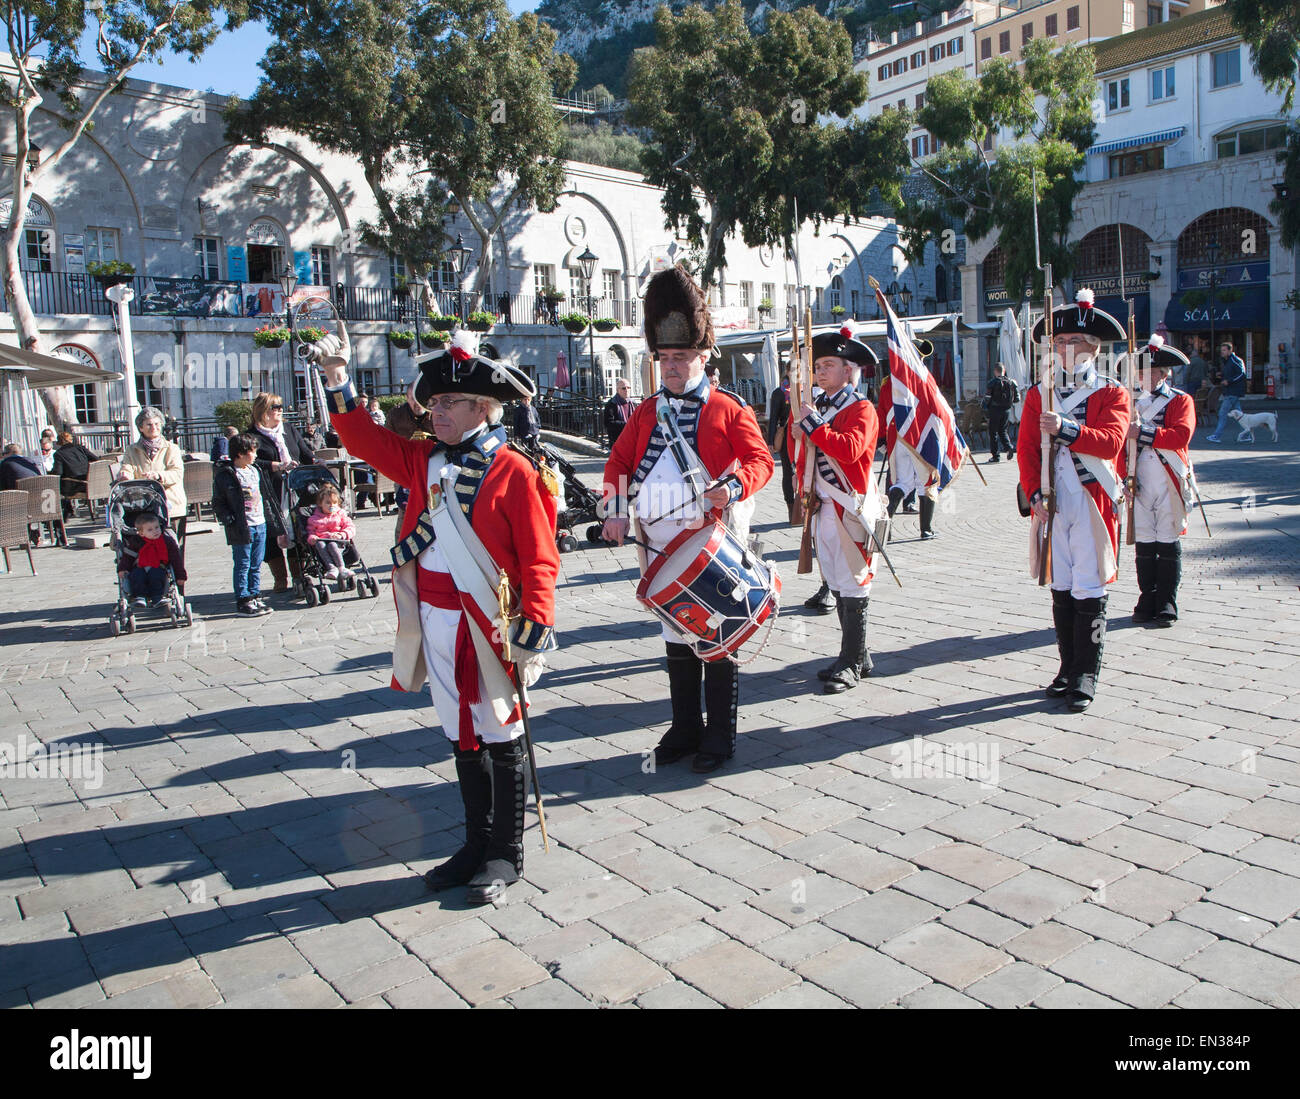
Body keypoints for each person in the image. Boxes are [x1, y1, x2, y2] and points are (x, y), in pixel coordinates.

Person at [315, 324, 559, 906]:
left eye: (449, 402)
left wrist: (535, 624)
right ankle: (474, 845)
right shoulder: (424, 459)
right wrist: (337, 378)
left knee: (501, 734)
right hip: (435, 622)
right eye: (435, 400)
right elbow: (363, 441)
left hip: (488, 623)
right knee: (460, 735)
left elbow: (540, 555)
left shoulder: (515, 469)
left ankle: (506, 852)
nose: (435, 410)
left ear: (482, 407)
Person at [600, 265, 773, 774]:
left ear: (702, 356)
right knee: (676, 637)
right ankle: (684, 727)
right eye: (664, 357)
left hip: (709, 546)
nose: (671, 366)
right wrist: (613, 511)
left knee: (716, 635)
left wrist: (734, 486)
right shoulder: (646, 411)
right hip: (657, 549)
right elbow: (618, 462)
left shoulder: (728, 408)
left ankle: (720, 733)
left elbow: (762, 461)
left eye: (681, 357)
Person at [1017, 288, 1130, 713]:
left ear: (1093, 348)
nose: (1064, 349)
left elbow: (1112, 442)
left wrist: (1066, 428)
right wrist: (1032, 494)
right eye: (1059, 342)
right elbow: (1027, 449)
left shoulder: (1112, 393)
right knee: (1061, 588)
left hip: (1092, 501)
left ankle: (1087, 673)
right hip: (1053, 502)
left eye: (1073, 342)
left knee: (1090, 588)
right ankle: (1066, 667)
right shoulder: (1037, 393)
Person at [791, 324, 882, 694]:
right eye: (818, 365)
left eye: (828, 364)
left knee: (854, 583)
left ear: (848, 371)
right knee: (837, 581)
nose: (820, 371)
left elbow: (848, 449)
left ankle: (852, 662)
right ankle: (857, 655)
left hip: (850, 506)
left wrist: (811, 425)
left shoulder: (861, 408)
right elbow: (803, 456)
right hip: (822, 506)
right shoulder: (815, 406)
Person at [1121, 335, 1195, 627]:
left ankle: (1166, 599)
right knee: (1144, 541)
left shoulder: (1180, 400)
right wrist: (1123, 475)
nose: (1144, 377)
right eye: (1140, 373)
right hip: (1138, 477)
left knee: (1167, 538)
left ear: (1165, 374)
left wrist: (1145, 434)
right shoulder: (1128, 401)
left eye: (1151, 372)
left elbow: (1180, 436)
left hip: (1168, 477)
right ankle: (1147, 596)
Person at [250, 391, 316, 592]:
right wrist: (275, 465)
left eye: (280, 407)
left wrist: (315, 462)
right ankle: (280, 578)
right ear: (263, 411)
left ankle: (298, 575)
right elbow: (250, 461)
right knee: (272, 534)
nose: (279, 410)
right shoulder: (252, 435)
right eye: (275, 407)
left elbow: (305, 453)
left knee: (297, 529)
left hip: (294, 488)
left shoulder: (288, 429)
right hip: (269, 490)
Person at [212, 432, 285, 616]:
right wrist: (229, 519)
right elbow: (218, 501)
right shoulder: (227, 474)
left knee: (256, 562)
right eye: (252, 452)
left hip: (259, 522)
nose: (256, 455)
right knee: (243, 563)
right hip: (241, 525)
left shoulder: (255, 470)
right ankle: (243, 599)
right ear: (240, 454)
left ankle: (254, 595)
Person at [118, 407, 188, 523]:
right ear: (141, 428)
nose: (154, 427)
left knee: (172, 541)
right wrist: (125, 475)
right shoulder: (131, 450)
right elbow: (127, 467)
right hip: (143, 506)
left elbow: (177, 473)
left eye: (157, 424)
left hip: (170, 504)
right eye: (149, 425)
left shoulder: (172, 448)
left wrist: (158, 476)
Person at [116, 513, 185, 609]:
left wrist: (180, 575)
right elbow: (128, 557)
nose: (155, 531)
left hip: (158, 566)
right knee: (136, 576)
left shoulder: (167, 541)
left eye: (157, 527)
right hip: (139, 566)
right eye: (150, 530)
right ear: (141, 533)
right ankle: (139, 597)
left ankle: (157, 597)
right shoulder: (136, 541)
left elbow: (176, 559)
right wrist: (122, 568)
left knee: (156, 575)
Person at [305, 482, 357, 581]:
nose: (331, 505)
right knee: (320, 544)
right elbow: (310, 531)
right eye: (328, 503)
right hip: (322, 542)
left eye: (334, 503)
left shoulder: (341, 515)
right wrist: (312, 538)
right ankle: (332, 568)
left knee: (332, 544)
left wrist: (342, 534)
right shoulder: (314, 519)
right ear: (320, 504)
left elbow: (350, 527)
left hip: (339, 543)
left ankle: (342, 568)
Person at [768, 371, 795, 524]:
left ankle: (804, 506)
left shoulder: (805, 389)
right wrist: (770, 441)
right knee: (788, 471)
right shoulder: (779, 392)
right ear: (788, 372)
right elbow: (773, 418)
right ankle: (791, 506)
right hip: (786, 437)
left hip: (804, 436)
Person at [51, 431, 100, 517]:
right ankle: (69, 509)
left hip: (74, 486)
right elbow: (96, 459)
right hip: (90, 482)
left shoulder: (58, 454)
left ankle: (66, 510)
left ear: (59, 442)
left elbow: (58, 472)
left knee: (56, 486)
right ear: (70, 439)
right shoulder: (80, 448)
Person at [1206, 341, 1246, 443]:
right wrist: (1222, 375)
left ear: (1230, 350)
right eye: (1221, 350)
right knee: (1240, 414)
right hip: (1231, 391)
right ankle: (1246, 435)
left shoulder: (1234, 360)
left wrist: (1229, 381)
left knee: (1222, 413)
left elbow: (1241, 374)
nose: (1222, 352)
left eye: (1224, 350)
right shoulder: (1228, 361)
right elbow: (1232, 373)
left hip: (1233, 391)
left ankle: (1217, 436)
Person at [985, 363, 1019, 463]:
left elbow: (987, 398)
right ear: (1004, 371)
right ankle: (1009, 447)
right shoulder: (1012, 382)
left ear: (995, 371)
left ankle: (995, 455)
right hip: (1006, 410)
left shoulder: (992, 382)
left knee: (993, 432)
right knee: (1003, 430)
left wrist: (985, 409)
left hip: (995, 410)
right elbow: (1016, 399)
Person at [603, 377, 634, 448]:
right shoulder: (611, 404)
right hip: (618, 441)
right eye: (623, 388)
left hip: (632, 440)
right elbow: (608, 423)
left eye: (628, 388)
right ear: (617, 390)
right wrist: (626, 425)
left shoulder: (633, 403)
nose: (626, 390)